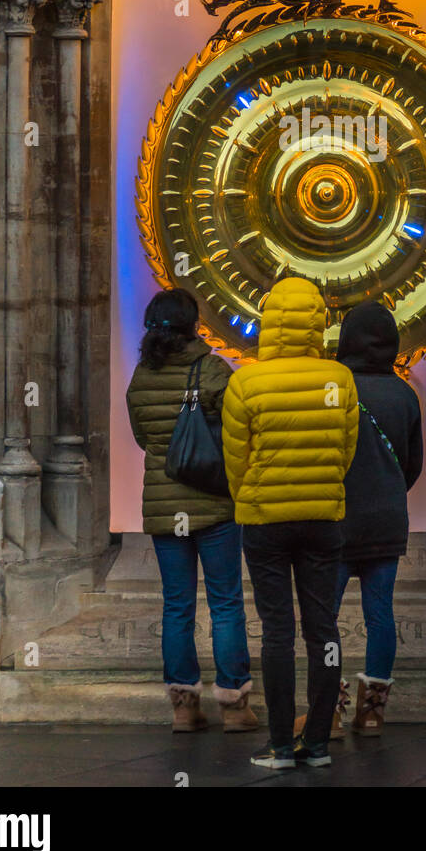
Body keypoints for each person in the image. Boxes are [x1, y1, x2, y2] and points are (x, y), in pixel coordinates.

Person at [222, 277, 359, 769]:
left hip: (265, 522)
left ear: (270, 322)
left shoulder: (246, 381)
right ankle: (318, 743)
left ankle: (280, 745)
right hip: (323, 519)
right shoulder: (338, 379)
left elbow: (235, 461)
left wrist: (254, 500)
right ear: (318, 322)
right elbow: (346, 452)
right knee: (323, 629)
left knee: (276, 631)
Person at [126, 287, 257, 734]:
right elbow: (239, 435)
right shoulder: (215, 370)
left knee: (177, 605)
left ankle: (184, 706)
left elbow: (144, 439)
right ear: (193, 323)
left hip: (164, 509)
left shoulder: (142, 376)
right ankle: (235, 706)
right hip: (215, 506)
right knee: (225, 604)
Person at [331, 300, 423, 734]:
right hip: (386, 518)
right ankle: (372, 711)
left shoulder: (332, 387)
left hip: (336, 518)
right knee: (380, 615)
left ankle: (327, 707)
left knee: (323, 616)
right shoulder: (404, 394)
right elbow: (413, 465)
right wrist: (386, 491)